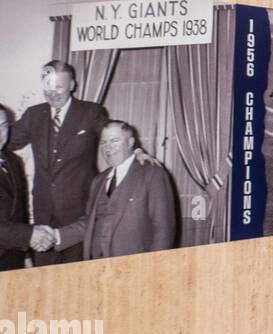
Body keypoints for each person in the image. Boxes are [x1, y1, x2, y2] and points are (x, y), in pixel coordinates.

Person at [5, 60, 109, 265]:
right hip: (43, 217)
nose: (53, 93)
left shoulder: (91, 112)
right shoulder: (34, 114)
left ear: (72, 85)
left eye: (59, 87)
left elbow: (112, 139)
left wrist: (137, 151)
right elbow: (6, 141)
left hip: (79, 217)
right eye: (48, 87)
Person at [44, 120, 177, 261]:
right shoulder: (98, 180)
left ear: (131, 143)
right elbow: (90, 223)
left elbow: (164, 230)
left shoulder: (152, 174)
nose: (108, 147)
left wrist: (153, 267)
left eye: (114, 141)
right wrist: (56, 236)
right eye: (104, 142)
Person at [0, 104, 48, 272]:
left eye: (3, 126)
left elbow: (21, 213)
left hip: (14, 258)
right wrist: (30, 235)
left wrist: (26, 254)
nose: (0, 133)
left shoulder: (14, 161)